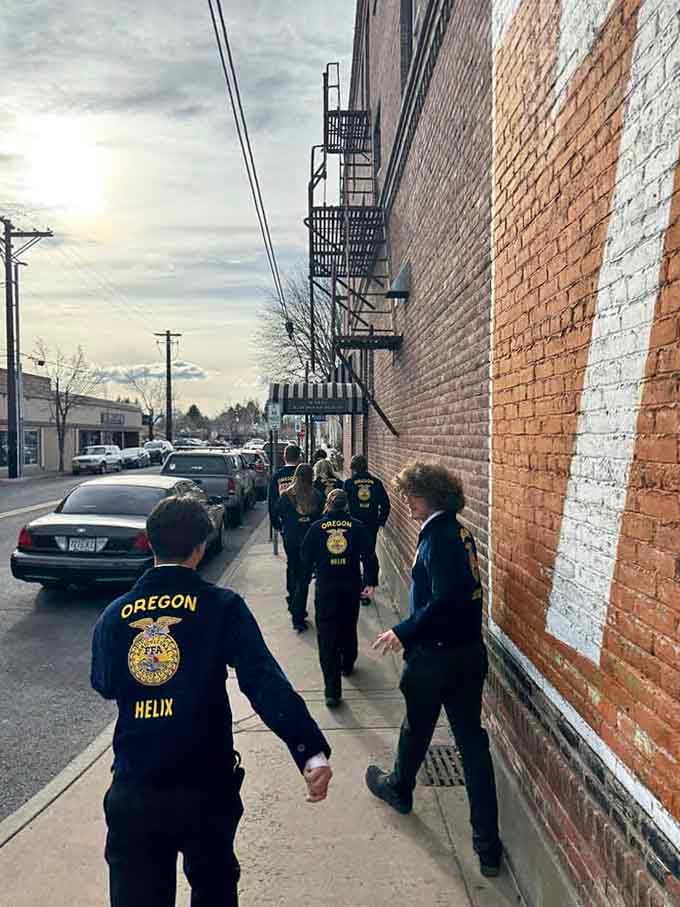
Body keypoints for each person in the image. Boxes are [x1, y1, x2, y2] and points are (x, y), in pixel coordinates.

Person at [91, 496, 332, 907]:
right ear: (201, 547)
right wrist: (309, 751)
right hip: (204, 785)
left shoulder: (115, 615)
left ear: (150, 542)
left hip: (136, 785)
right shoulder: (221, 607)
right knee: (215, 889)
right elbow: (263, 681)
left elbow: (105, 683)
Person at [365, 461, 502, 878]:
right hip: (467, 654)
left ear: (432, 496)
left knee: (418, 728)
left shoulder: (439, 539)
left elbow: (444, 599)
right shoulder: (458, 532)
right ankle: (488, 846)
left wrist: (403, 631)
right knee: (472, 745)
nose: (406, 502)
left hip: (436, 659)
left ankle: (399, 788)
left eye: (412, 494)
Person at [300, 489, 377, 708]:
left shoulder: (316, 528)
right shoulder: (357, 527)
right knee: (348, 625)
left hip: (326, 588)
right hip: (350, 586)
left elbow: (305, 558)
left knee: (327, 636)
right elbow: (369, 555)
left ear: (328, 505)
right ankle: (348, 662)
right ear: (347, 506)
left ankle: (332, 690)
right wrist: (369, 581)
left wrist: (304, 581)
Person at [275, 463, 324, 632]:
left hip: (291, 539)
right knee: (304, 577)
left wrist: (284, 527)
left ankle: (292, 597)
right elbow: (320, 518)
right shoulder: (316, 496)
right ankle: (298, 614)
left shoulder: (286, 496)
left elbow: (277, 513)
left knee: (292, 567)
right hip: (308, 540)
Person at [344, 454, 391, 604]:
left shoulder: (349, 484)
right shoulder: (376, 483)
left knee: (352, 556)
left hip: (353, 526)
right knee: (369, 556)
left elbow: (344, 506)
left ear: (353, 468)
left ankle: (355, 588)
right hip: (370, 525)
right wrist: (380, 521)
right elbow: (386, 504)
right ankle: (367, 591)